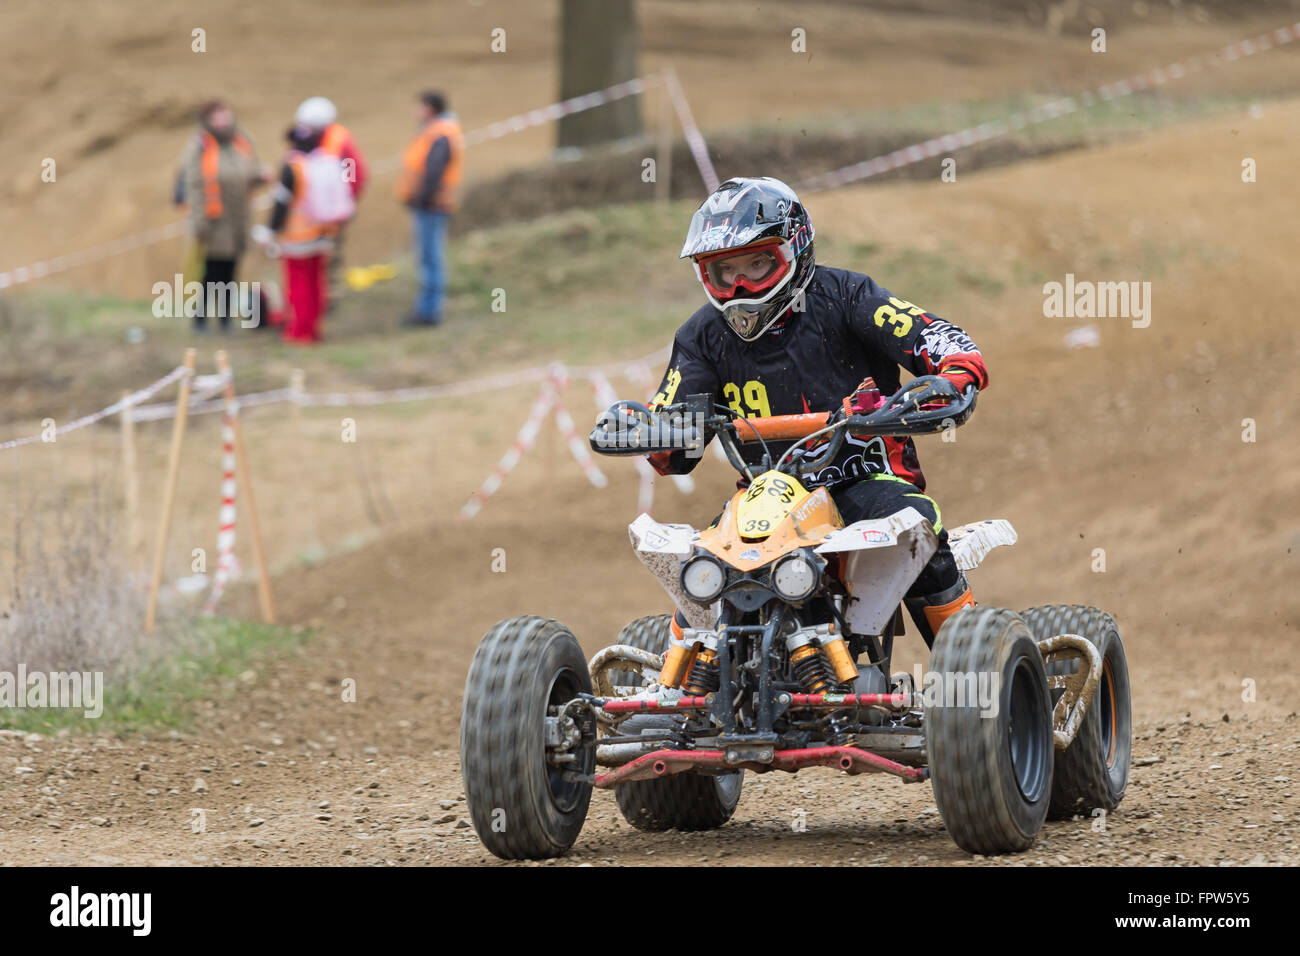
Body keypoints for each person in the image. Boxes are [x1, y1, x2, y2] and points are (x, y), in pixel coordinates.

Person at [647, 176, 989, 648]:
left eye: (757, 264)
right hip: (766, 503)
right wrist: (646, 430)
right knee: (702, 570)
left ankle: (973, 672)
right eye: (726, 271)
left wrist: (953, 375)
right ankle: (675, 693)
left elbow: (938, 337)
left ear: (794, 250)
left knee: (916, 527)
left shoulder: (847, 296)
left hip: (865, 482)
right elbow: (671, 431)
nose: (741, 285)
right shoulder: (702, 335)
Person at [179, 100, 265, 333]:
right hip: (213, 221)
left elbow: (249, 169)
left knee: (230, 272)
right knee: (210, 274)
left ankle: (225, 320)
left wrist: (260, 176)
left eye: (226, 116)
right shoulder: (200, 146)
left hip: (238, 219)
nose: (224, 122)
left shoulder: (241, 141)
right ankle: (201, 318)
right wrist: (199, 222)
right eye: (218, 117)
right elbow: (194, 185)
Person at [263, 125, 348, 344]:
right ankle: (314, 328)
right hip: (324, 232)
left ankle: (300, 332)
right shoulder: (328, 162)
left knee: (298, 285)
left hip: (298, 236)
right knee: (316, 282)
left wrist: (270, 231)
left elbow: (281, 203)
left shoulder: (293, 166)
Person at [395, 90, 463, 327]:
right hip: (430, 204)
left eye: (420, 106)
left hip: (431, 206)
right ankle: (427, 309)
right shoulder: (438, 131)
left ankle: (428, 312)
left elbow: (433, 171)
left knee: (430, 258)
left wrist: (421, 199)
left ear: (430, 108)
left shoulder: (440, 133)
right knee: (429, 257)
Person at [294, 97, 368, 304]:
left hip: (332, 213)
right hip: (309, 212)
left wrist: (342, 203)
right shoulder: (308, 139)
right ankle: (313, 298)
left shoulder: (339, 140)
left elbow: (354, 174)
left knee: (331, 256)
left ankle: (329, 297)